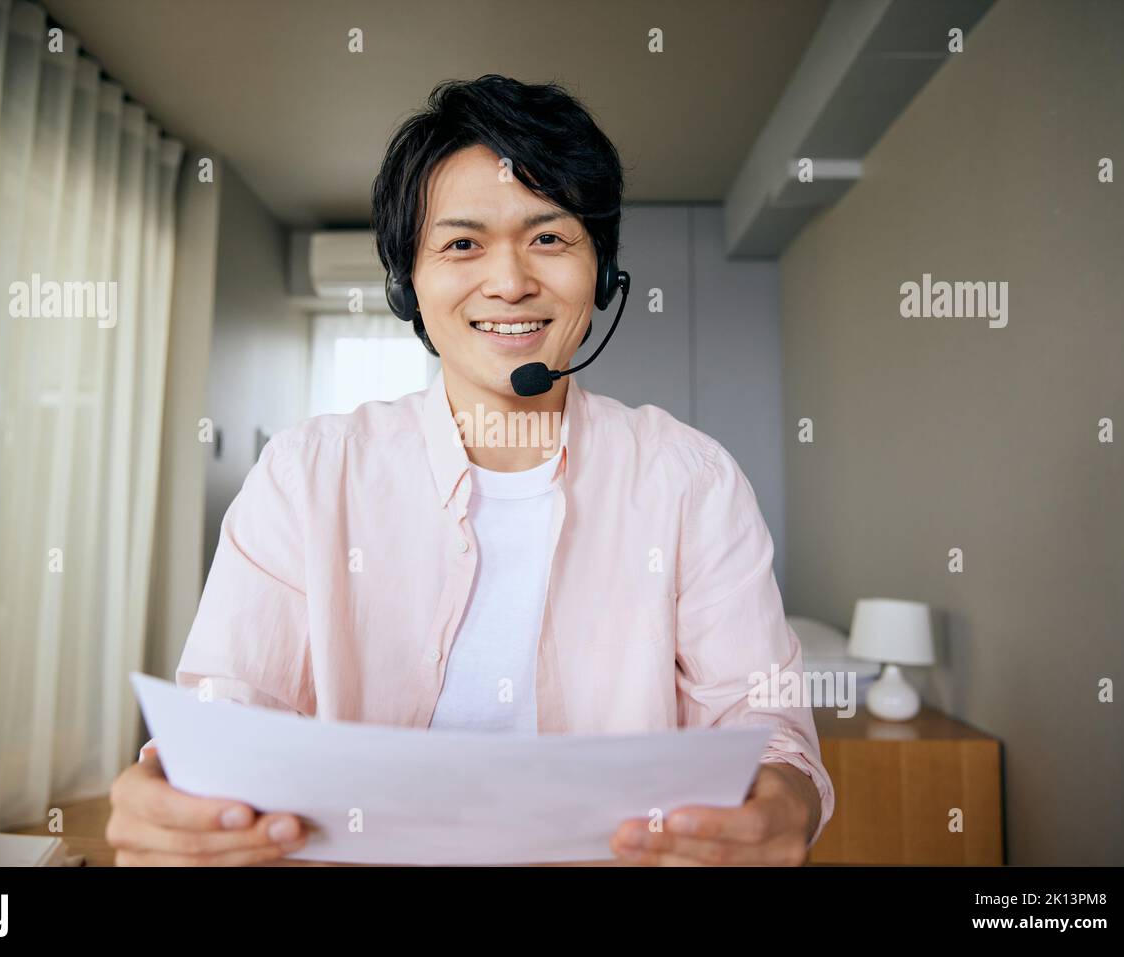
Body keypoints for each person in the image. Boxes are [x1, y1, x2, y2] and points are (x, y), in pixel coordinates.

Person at [108, 74, 833, 867]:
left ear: (603, 274)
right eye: (462, 243)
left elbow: (767, 726)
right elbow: (229, 711)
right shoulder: (306, 476)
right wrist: (175, 798)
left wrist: (786, 798)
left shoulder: (693, 483)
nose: (512, 281)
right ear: (406, 285)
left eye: (550, 237)